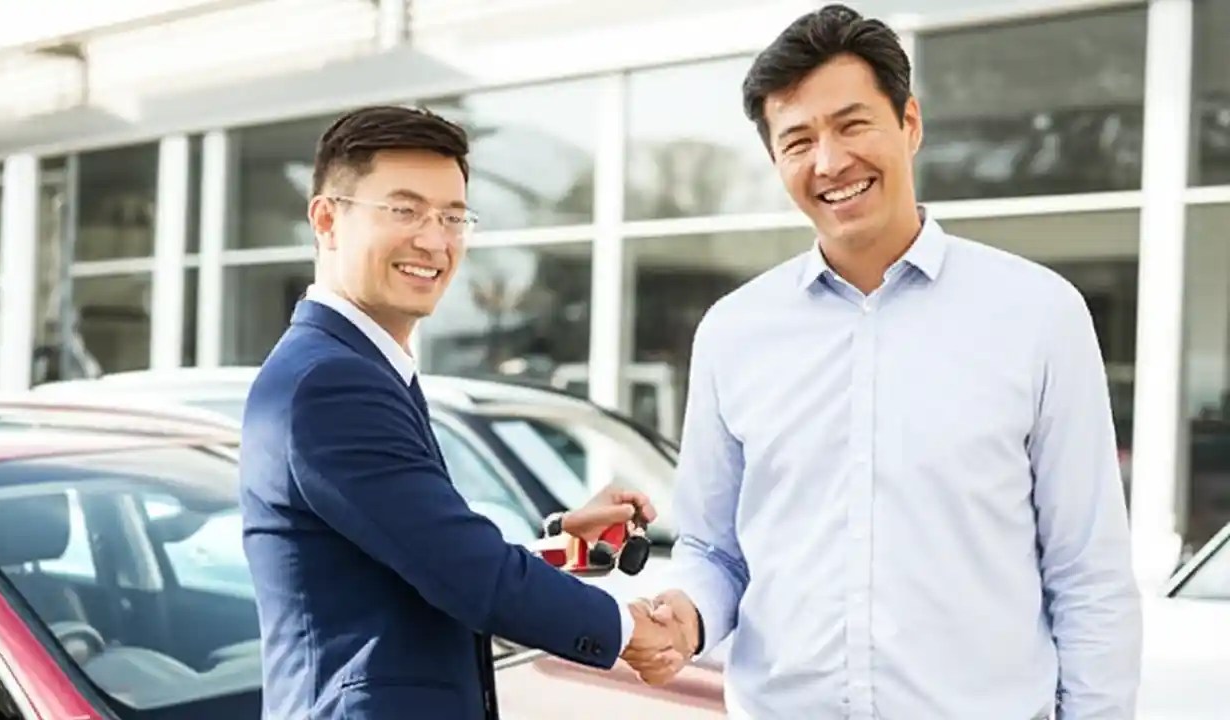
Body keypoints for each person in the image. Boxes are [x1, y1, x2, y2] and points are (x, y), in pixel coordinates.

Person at [621, 4, 1143, 718]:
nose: (830, 162)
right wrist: (687, 616)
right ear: (776, 160)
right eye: (797, 139)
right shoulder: (733, 333)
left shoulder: (1040, 316)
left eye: (852, 124)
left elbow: (1089, 575)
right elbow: (714, 550)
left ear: (910, 124)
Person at [239, 105, 688, 720]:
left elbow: (419, 562)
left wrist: (555, 548)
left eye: (453, 216)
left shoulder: (355, 366)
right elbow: (467, 576)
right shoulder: (331, 381)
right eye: (404, 210)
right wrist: (626, 628)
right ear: (327, 220)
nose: (434, 239)